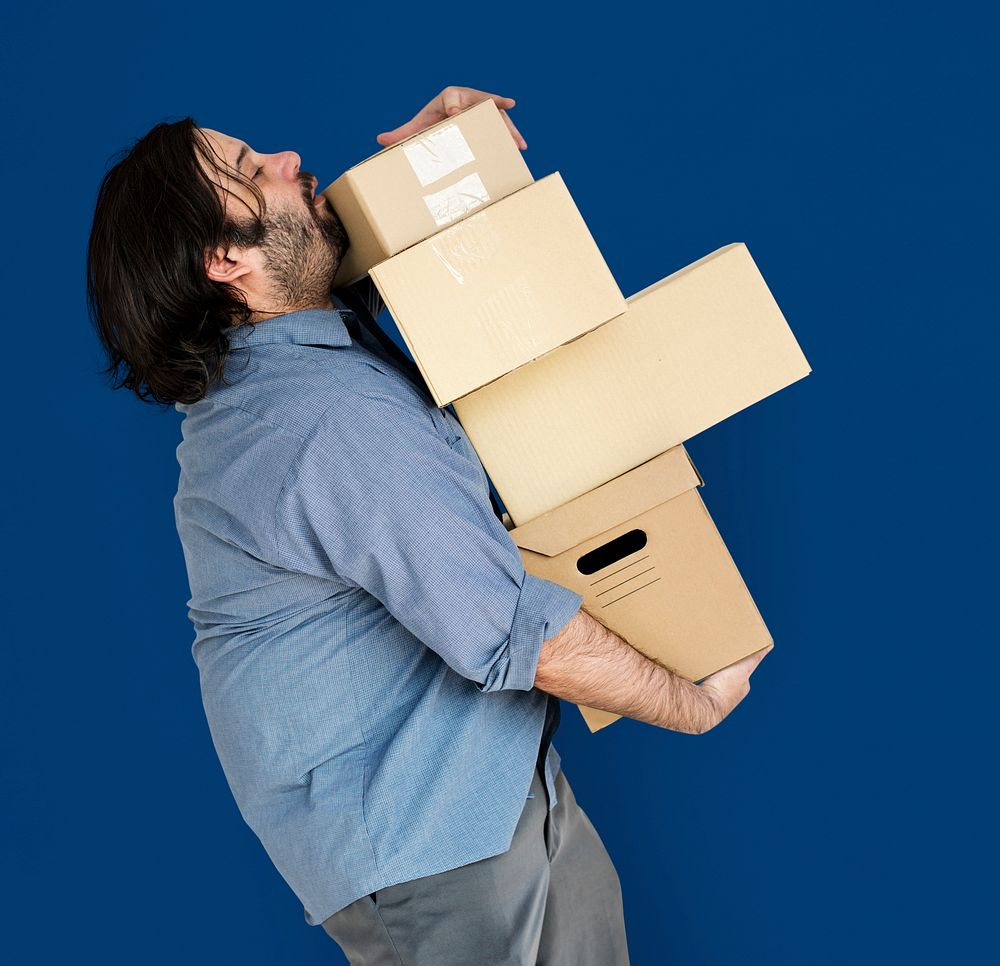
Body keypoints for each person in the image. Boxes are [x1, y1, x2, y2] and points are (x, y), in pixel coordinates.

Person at [86, 84, 771, 964]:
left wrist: (431, 164)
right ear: (224, 258)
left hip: (471, 807)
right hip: (441, 850)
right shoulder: (323, 423)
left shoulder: (284, 367)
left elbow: (348, 272)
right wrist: (695, 706)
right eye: (255, 173)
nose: (290, 160)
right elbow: (512, 636)